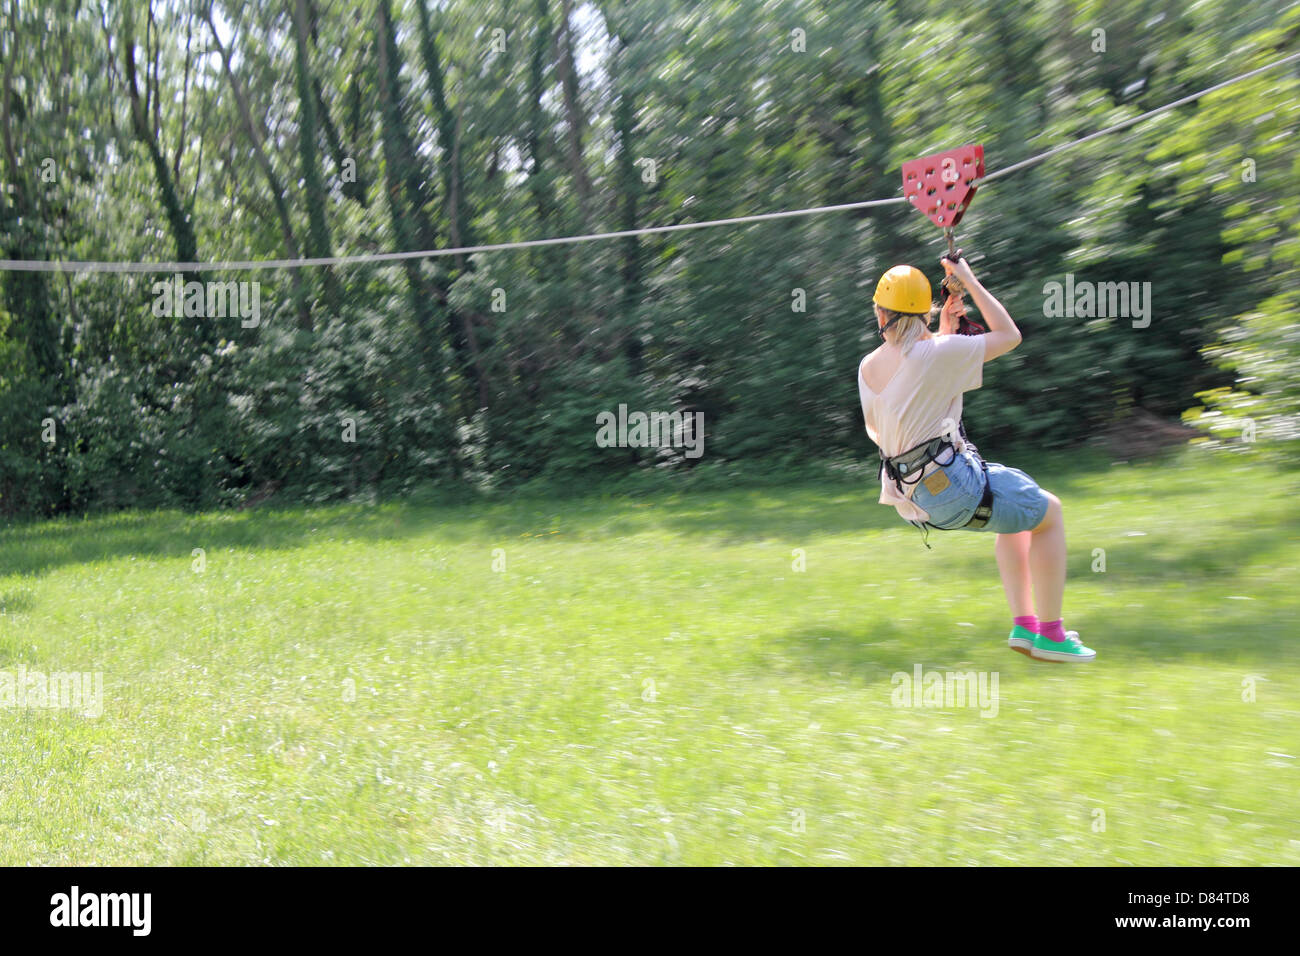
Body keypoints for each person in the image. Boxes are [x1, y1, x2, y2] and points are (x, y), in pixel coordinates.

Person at [857, 256, 1095, 663]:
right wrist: (968, 279)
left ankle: (1026, 626)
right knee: (1050, 513)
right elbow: (1009, 335)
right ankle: (1052, 635)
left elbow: (918, 389)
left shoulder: (869, 365)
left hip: (915, 498)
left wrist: (948, 328)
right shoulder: (936, 354)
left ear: (880, 313)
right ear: (924, 310)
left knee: (1020, 517)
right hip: (954, 486)